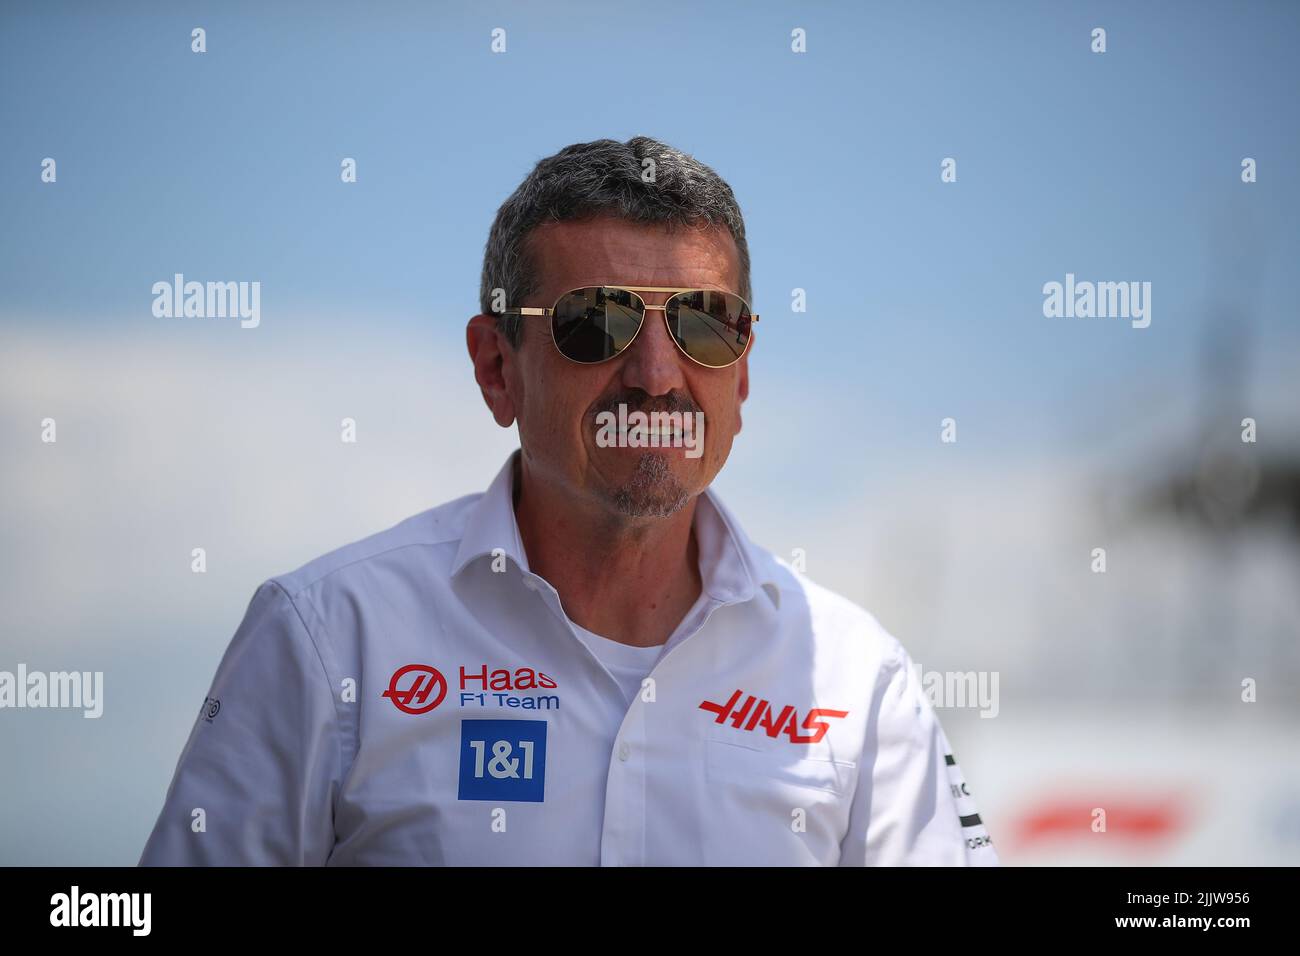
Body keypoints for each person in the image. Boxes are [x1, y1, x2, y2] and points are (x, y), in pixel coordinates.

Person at [138, 136, 998, 866]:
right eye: (597, 322)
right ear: (496, 366)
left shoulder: (861, 679)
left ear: (741, 369)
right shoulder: (327, 638)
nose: (657, 378)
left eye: (702, 322)